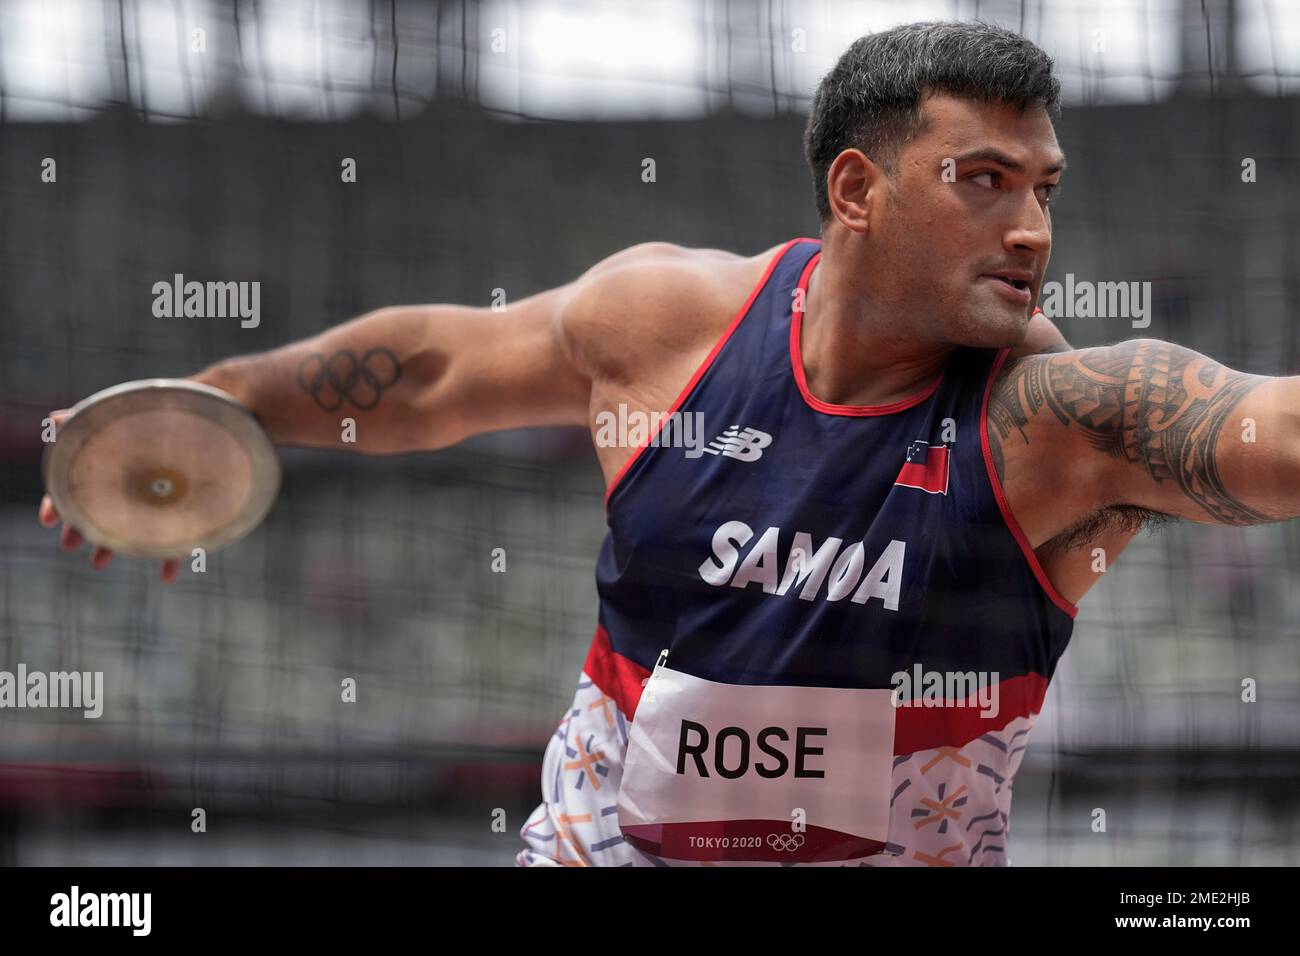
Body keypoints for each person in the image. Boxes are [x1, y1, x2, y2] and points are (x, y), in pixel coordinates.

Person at [39, 21, 1299, 866]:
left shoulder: (1068, 424)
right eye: (982, 178)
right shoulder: (667, 326)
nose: (1029, 225)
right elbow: (433, 369)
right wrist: (210, 399)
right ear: (855, 190)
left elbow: (1271, 429)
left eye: (1045, 187)